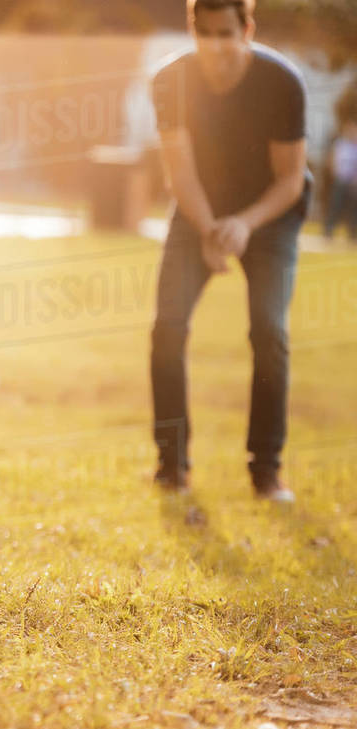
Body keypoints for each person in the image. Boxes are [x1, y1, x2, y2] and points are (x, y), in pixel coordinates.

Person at [150, 0, 311, 502]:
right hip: (200, 208)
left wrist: (242, 225)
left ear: (247, 29)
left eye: (226, 33)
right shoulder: (170, 81)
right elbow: (180, 173)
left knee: (269, 330)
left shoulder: (282, 83)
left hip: (269, 214)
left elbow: (290, 181)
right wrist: (208, 230)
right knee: (168, 326)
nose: (216, 46)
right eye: (206, 33)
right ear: (192, 30)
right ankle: (172, 466)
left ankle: (266, 470)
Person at [323, 119, 357, 242]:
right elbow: (332, 159)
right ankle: (328, 231)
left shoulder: (355, 146)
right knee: (335, 205)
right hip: (340, 179)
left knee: (353, 209)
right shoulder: (340, 143)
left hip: (353, 182)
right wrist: (334, 173)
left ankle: (352, 233)